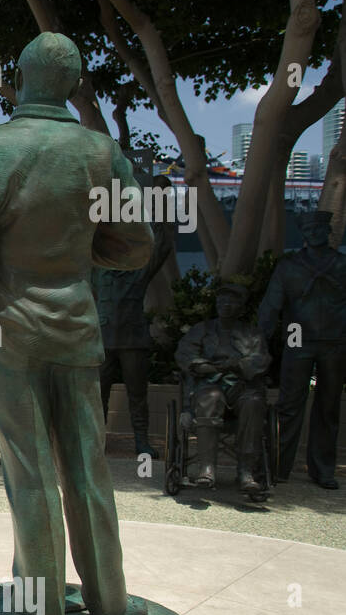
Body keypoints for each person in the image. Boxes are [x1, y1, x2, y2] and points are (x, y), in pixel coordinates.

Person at [0, 31, 152, 615]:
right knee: (88, 467)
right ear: (75, 85)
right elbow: (137, 244)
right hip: (76, 328)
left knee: (28, 470)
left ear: (20, 78)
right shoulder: (101, 152)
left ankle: (41, 605)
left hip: (7, 332)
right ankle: (108, 603)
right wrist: (81, 257)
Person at [257, 211, 346, 489]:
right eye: (309, 229)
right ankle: (279, 466)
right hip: (298, 341)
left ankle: (322, 470)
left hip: (335, 341)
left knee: (328, 408)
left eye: (319, 228)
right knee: (289, 405)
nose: (314, 233)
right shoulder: (289, 266)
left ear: (327, 230)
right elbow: (271, 307)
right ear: (304, 234)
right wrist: (257, 345)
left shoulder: (342, 265)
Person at [94, 180, 175, 457]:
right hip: (102, 341)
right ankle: (96, 443)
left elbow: (162, 246)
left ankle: (142, 441)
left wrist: (163, 203)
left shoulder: (138, 271)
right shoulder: (97, 273)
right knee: (97, 397)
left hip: (133, 340)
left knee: (138, 396)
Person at [177, 284, 271, 493]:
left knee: (253, 403)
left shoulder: (252, 334)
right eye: (221, 302)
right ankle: (207, 468)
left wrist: (236, 365)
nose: (225, 306)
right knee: (210, 398)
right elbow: (185, 356)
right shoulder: (202, 330)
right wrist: (207, 366)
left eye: (231, 302)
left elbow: (260, 361)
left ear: (241, 308)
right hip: (208, 385)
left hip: (241, 386)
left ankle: (246, 471)